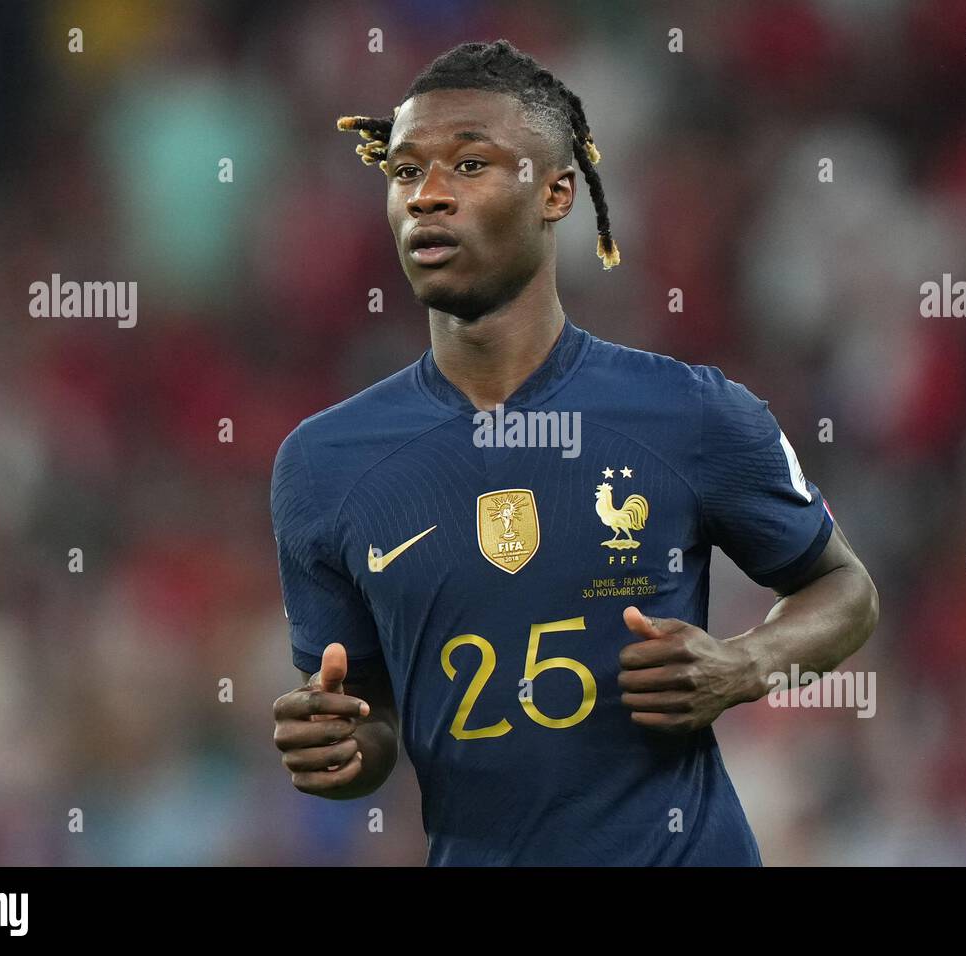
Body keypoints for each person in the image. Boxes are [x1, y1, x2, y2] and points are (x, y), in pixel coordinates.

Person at [271, 39, 878, 865]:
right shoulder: (324, 465)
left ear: (556, 192)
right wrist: (340, 750)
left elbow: (846, 589)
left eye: (471, 164)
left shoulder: (689, 413)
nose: (429, 197)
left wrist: (746, 664)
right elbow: (368, 718)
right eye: (406, 171)